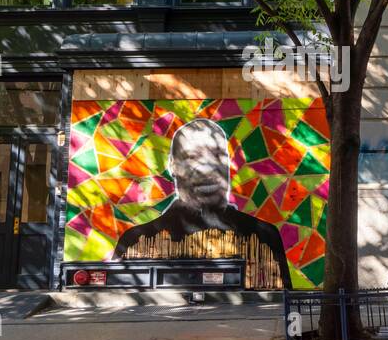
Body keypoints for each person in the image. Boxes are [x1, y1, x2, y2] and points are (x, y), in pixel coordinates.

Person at [112, 118, 291, 289]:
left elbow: (283, 304)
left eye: (217, 155)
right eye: (192, 157)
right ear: (173, 166)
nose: (207, 168)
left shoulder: (264, 237)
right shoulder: (135, 243)